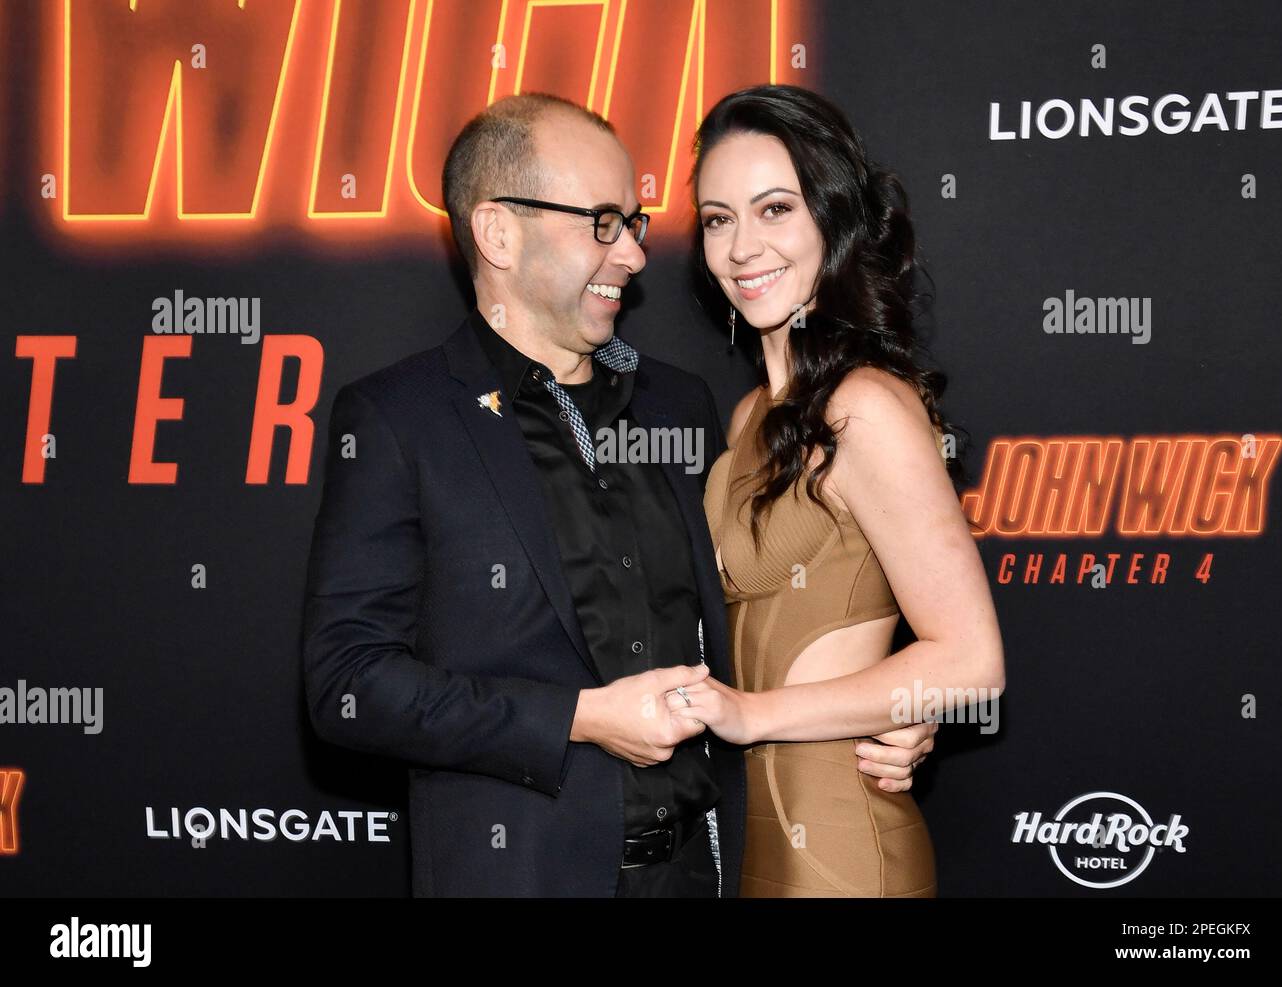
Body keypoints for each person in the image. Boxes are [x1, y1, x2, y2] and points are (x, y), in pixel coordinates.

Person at [300, 91, 937, 897]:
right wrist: (579, 716)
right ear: (498, 231)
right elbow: (347, 684)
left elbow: (773, 612)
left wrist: (894, 706)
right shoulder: (399, 420)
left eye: (633, 223)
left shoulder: (682, 405)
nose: (634, 256)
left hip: (715, 872)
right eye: (602, 222)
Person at [670, 85, 1005, 897]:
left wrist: (750, 714)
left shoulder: (865, 406)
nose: (742, 247)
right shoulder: (752, 414)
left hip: (844, 851)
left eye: (774, 208)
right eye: (718, 219)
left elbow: (971, 664)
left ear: (833, 218)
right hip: (748, 840)